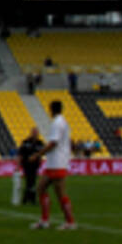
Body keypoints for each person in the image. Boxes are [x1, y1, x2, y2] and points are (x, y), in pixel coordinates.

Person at [32, 99, 77, 230]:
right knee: (41, 188)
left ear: (51, 109)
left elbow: (53, 143)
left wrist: (37, 154)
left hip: (58, 162)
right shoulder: (62, 122)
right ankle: (45, 220)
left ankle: (70, 222)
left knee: (60, 194)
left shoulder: (57, 123)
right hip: (54, 163)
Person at [16, 128, 45, 205]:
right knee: (30, 181)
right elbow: (20, 154)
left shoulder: (40, 143)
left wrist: (40, 162)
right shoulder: (25, 142)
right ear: (31, 133)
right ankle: (29, 199)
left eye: (36, 133)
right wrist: (18, 165)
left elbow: (42, 154)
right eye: (34, 133)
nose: (35, 134)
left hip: (35, 166)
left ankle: (28, 199)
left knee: (32, 182)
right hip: (27, 165)